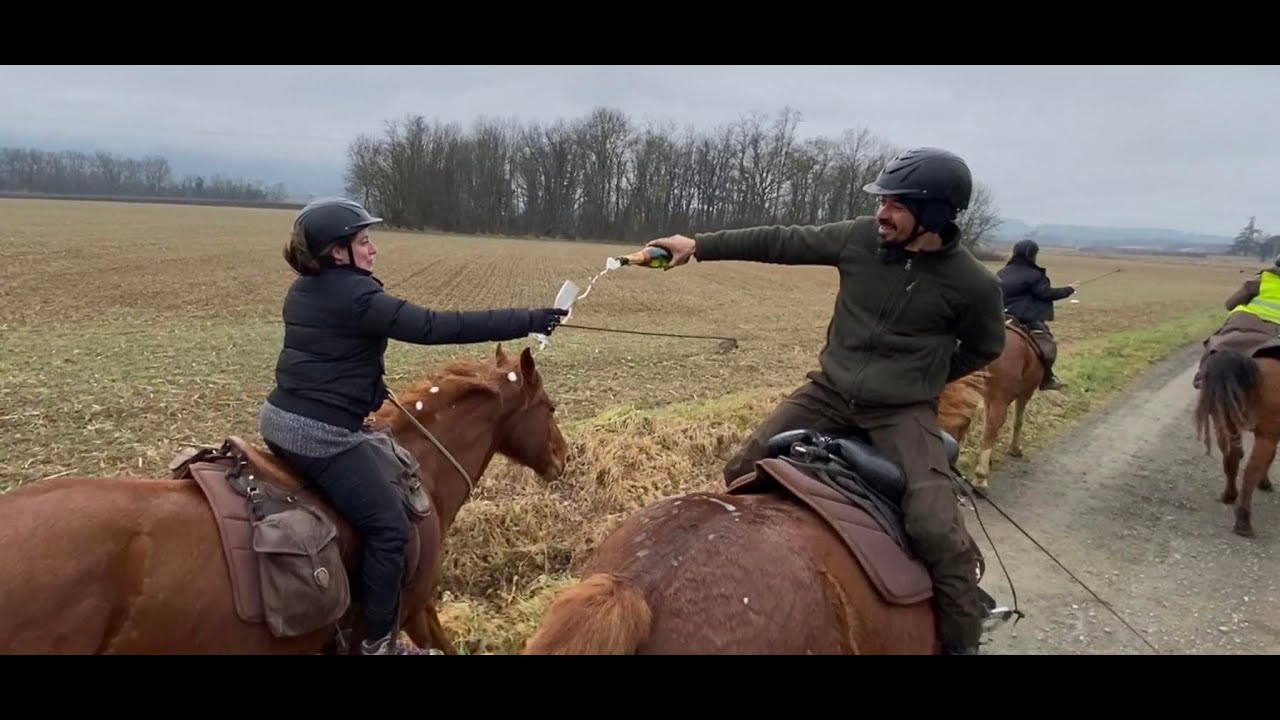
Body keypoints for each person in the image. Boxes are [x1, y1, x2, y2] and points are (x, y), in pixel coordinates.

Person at [643, 147, 1007, 656]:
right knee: (742, 467)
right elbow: (780, 241)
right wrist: (698, 245)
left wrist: (922, 380)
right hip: (828, 392)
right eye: (882, 201)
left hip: (901, 412)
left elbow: (987, 346)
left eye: (897, 204)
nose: (882, 212)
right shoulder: (860, 238)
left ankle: (962, 641)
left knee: (936, 528)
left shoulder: (973, 285)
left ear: (938, 213)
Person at [258, 197, 568, 655]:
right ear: (336, 253)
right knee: (390, 529)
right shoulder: (357, 296)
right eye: (363, 242)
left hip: (282, 419)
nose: (373, 249)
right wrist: (528, 319)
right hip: (321, 435)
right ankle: (377, 643)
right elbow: (434, 326)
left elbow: (332, 360)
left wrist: (360, 392)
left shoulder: (307, 289)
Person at [995, 239, 1079, 391]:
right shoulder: (1035, 275)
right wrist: (1069, 289)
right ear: (1033, 255)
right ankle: (1047, 378)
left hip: (999, 317)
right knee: (1046, 344)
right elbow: (1045, 294)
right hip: (1024, 318)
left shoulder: (1002, 272)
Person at [1193, 254, 1280, 389]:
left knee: (1216, 343)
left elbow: (1230, 304)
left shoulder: (1263, 279)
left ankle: (1203, 377)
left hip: (1245, 320)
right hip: (1276, 333)